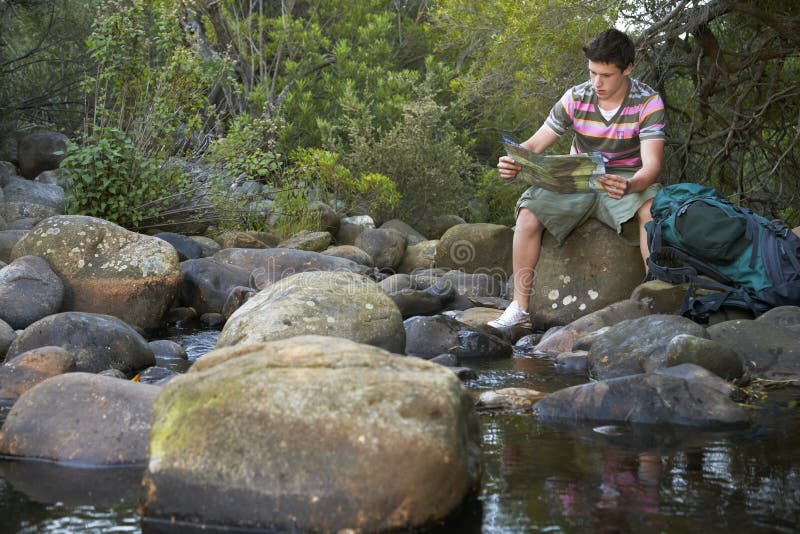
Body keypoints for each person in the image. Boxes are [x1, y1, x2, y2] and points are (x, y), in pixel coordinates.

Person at [489, 28, 666, 329]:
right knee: (528, 213)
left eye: (606, 75)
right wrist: (515, 160)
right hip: (579, 175)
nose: (597, 82)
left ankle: (654, 302)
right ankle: (519, 307)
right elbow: (535, 144)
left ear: (627, 69)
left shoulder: (648, 102)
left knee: (651, 210)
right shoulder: (576, 97)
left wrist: (631, 185)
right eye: (592, 72)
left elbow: (652, 166)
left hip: (626, 177)